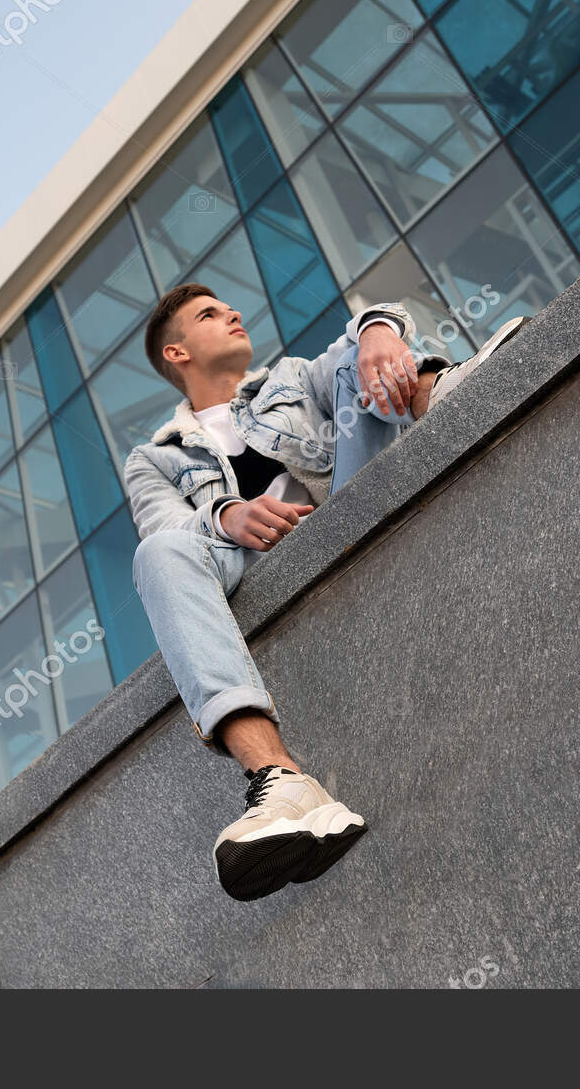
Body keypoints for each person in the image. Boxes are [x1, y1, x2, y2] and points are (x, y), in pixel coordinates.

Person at [124, 282, 527, 900]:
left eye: (228, 306)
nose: (233, 313)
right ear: (176, 354)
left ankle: (442, 390)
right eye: (209, 315)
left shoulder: (287, 379)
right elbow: (165, 529)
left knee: (351, 352)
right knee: (156, 554)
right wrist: (227, 515)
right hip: (253, 572)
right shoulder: (157, 458)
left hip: (349, 505)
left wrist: (377, 332)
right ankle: (281, 783)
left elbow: (368, 332)